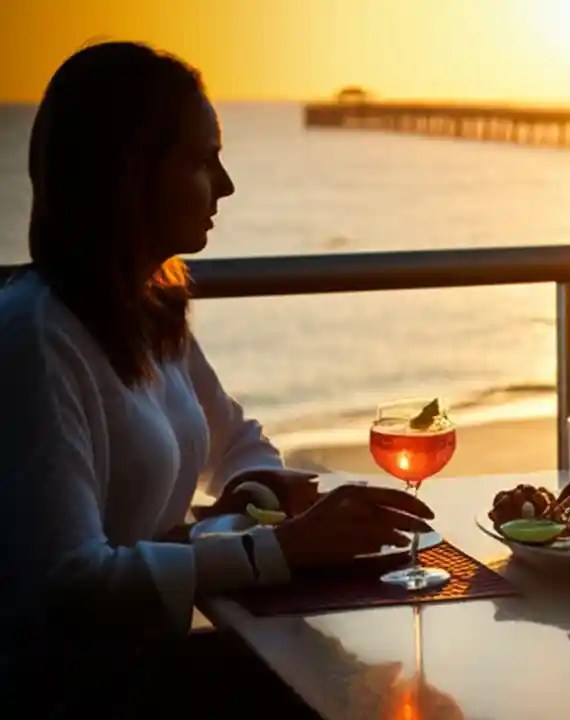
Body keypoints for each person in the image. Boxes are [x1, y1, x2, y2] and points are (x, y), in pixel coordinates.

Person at [0, 42, 433, 713]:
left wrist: (255, 494)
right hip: (74, 693)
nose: (226, 186)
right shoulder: (37, 337)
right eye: (203, 160)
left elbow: (241, 444)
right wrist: (274, 550)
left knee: (384, 679)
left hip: (144, 665)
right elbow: (69, 585)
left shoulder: (145, 313)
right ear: (128, 173)